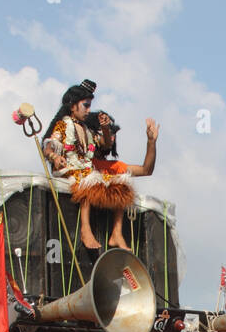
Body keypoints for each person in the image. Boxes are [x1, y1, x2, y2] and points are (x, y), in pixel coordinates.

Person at [43, 79, 120, 251]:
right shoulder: (63, 125)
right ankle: (85, 230)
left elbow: (106, 145)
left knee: (120, 183)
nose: (88, 110)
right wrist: (55, 157)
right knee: (88, 178)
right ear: (73, 106)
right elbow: (49, 146)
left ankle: (117, 233)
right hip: (69, 170)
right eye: (85, 105)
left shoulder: (87, 130)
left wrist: (106, 128)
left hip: (84, 169)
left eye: (89, 105)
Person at [86, 110, 159, 250]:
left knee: (123, 180)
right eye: (107, 132)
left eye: (113, 134)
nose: (112, 138)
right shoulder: (82, 162)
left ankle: (117, 233)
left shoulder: (115, 166)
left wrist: (151, 142)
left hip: (103, 240)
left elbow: (146, 170)